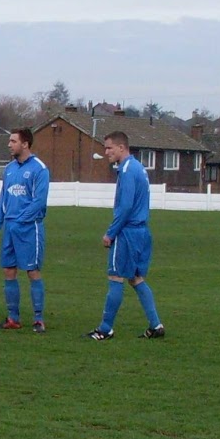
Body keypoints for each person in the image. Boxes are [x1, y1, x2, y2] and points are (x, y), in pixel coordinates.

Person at [86, 131, 165, 340]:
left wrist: (111, 233)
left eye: (110, 148)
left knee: (115, 276)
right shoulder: (138, 168)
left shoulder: (128, 170)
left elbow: (126, 207)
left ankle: (105, 329)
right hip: (142, 232)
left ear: (122, 147)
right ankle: (156, 325)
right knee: (136, 278)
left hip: (128, 232)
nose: (106, 152)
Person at [0, 129, 49, 333]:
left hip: (30, 228)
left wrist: (21, 219)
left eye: (13, 141)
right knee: (9, 270)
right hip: (11, 228)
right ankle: (13, 318)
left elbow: (39, 201)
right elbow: (3, 199)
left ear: (25, 144)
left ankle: (38, 319)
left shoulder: (39, 169)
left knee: (32, 271)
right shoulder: (9, 169)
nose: (9, 144)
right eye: (9, 141)